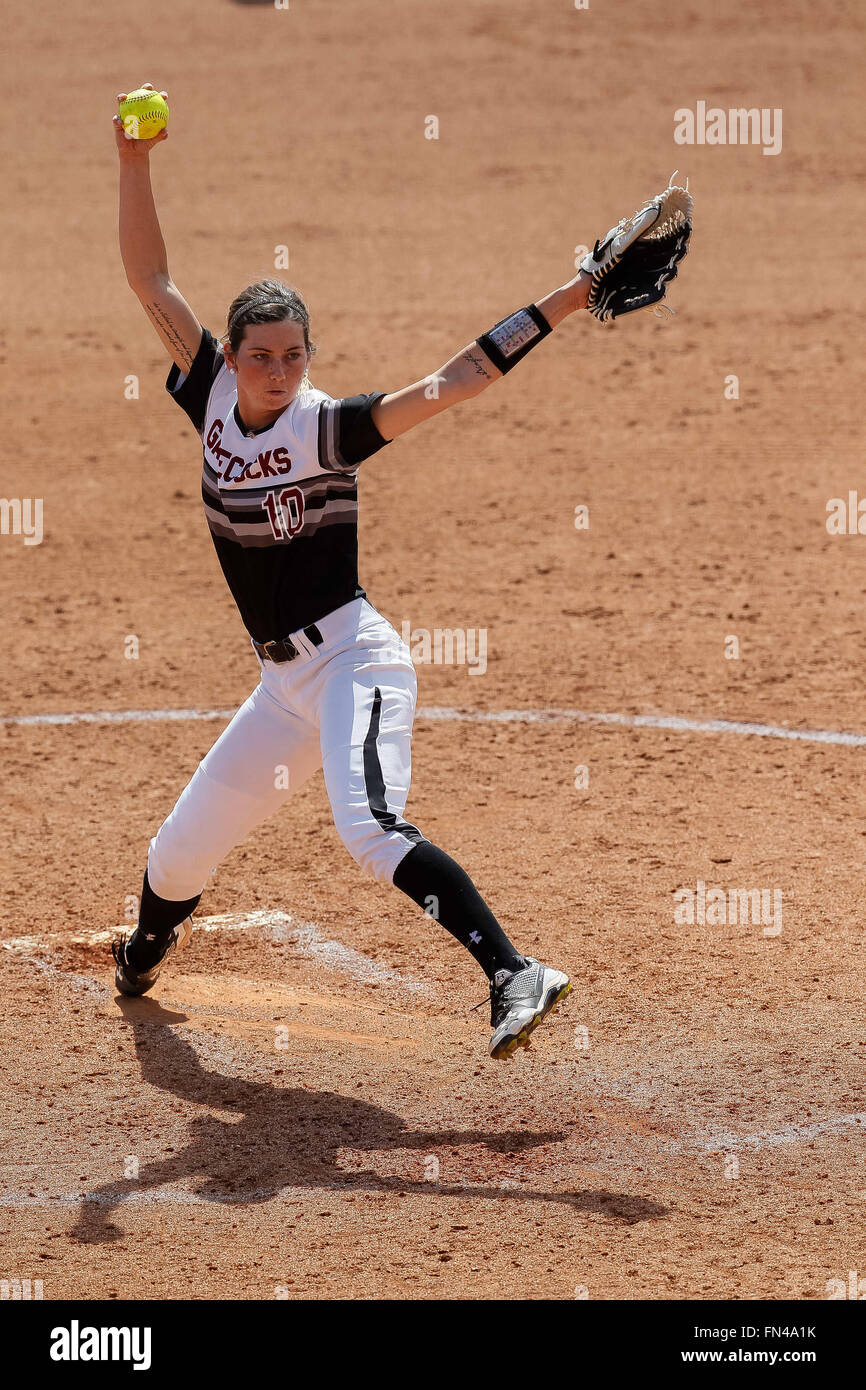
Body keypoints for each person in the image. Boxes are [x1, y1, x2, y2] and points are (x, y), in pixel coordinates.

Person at [109, 84, 583, 1060]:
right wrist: (133, 158)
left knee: (367, 826)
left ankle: (513, 971)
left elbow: (454, 381)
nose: (278, 370)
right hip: (281, 687)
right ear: (230, 358)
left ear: (307, 358)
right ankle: (142, 954)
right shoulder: (207, 400)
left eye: (293, 354)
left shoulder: (323, 427)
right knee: (176, 853)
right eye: (260, 355)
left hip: (352, 664)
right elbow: (151, 279)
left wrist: (570, 297)